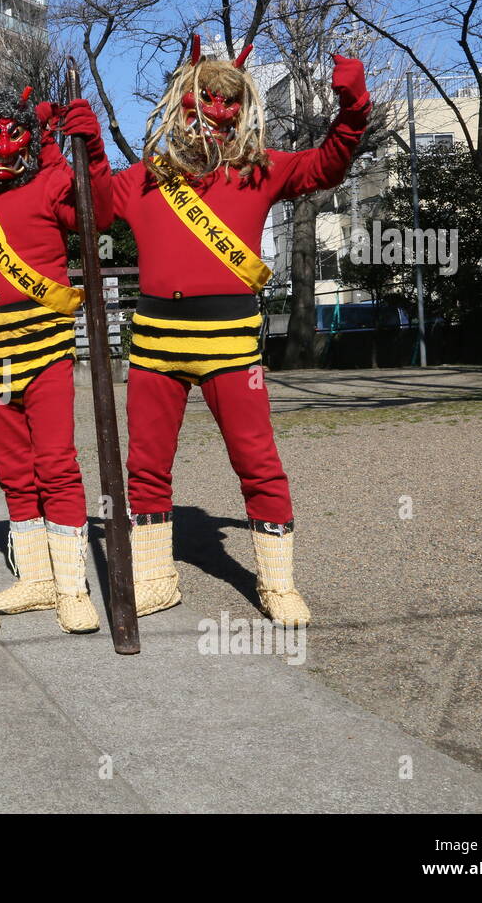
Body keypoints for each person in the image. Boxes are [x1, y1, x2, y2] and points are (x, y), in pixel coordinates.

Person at [113, 37, 372, 625]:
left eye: (227, 106)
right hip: (155, 345)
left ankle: (276, 583)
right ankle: (155, 575)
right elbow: (82, 207)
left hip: (233, 345)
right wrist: (68, 152)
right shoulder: (144, 179)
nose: (216, 118)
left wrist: (353, 109)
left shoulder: (262, 170)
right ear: (182, 103)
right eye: (205, 102)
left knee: (258, 461)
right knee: (147, 465)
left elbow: (329, 162)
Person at [0, 85, 113, 634]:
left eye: (11, 139)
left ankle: (72, 585)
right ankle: (38, 578)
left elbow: (100, 218)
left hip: (45, 346)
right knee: (13, 471)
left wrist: (91, 153)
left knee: (57, 462)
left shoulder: (51, 180)